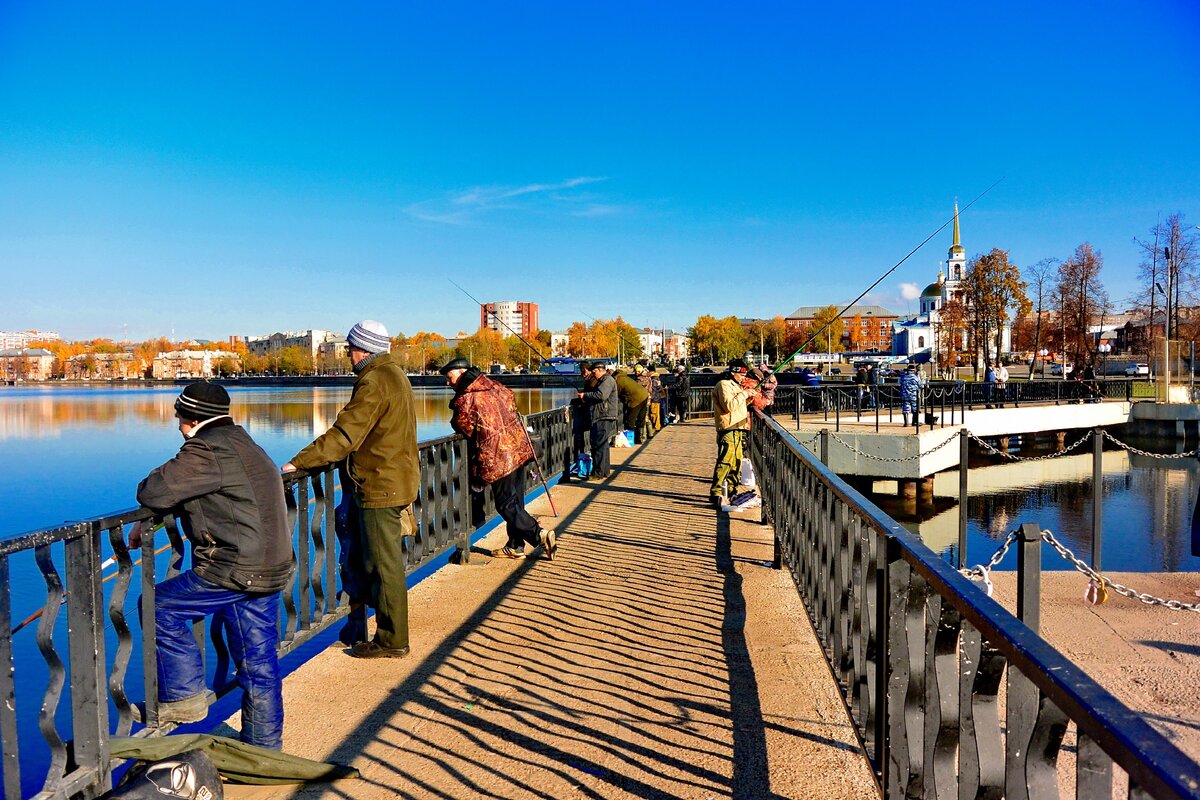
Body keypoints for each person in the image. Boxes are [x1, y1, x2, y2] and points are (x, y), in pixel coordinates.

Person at [134, 382, 293, 748]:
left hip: (235, 567)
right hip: (271, 563)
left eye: (178, 417)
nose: (177, 425)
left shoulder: (205, 450)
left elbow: (153, 490)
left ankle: (182, 698)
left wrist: (153, 507)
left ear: (190, 418)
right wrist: (154, 517)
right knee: (259, 664)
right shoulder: (246, 443)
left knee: (157, 606)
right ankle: (265, 750)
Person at [283, 320, 418, 659]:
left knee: (382, 565)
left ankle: (392, 640)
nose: (347, 354)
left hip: (380, 484)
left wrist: (299, 462)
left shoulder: (374, 381)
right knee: (381, 562)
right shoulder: (395, 374)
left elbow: (345, 435)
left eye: (350, 348)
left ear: (363, 350)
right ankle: (375, 628)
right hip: (395, 478)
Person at [441, 358, 557, 560]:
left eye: (450, 377)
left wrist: (456, 407)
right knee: (515, 500)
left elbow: (463, 426)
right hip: (517, 447)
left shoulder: (466, 398)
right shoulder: (495, 385)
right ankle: (515, 545)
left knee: (505, 504)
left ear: (461, 373)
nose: (448, 383)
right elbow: (511, 403)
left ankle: (539, 534)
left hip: (497, 455)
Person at [710, 359, 756, 509]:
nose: (743, 378)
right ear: (733, 372)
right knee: (726, 461)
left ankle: (731, 491)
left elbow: (738, 405)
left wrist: (748, 398)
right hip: (728, 428)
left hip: (739, 427)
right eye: (741, 375)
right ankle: (717, 492)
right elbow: (728, 406)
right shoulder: (723, 385)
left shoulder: (736, 386)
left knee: (737, 462)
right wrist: (744, 393)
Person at [578, 361, 619, 478]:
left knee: (598, 444)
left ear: (601, 370)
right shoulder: (603, 380)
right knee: (603, 444)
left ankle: (598, 473)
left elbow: (601, 395)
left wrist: (585, 395)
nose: (593, 374)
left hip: (603, 415)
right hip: (602, 415)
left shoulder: (607, 380)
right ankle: (604, 471)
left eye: (594, 371)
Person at [614, 367, 651, 444]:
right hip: (644, 396)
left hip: (635, 400)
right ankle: (640, 438)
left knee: (631, 420)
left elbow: (616, 393)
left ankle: (630, 439)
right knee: (641, 419)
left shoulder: (618, 380)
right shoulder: (626, 378)